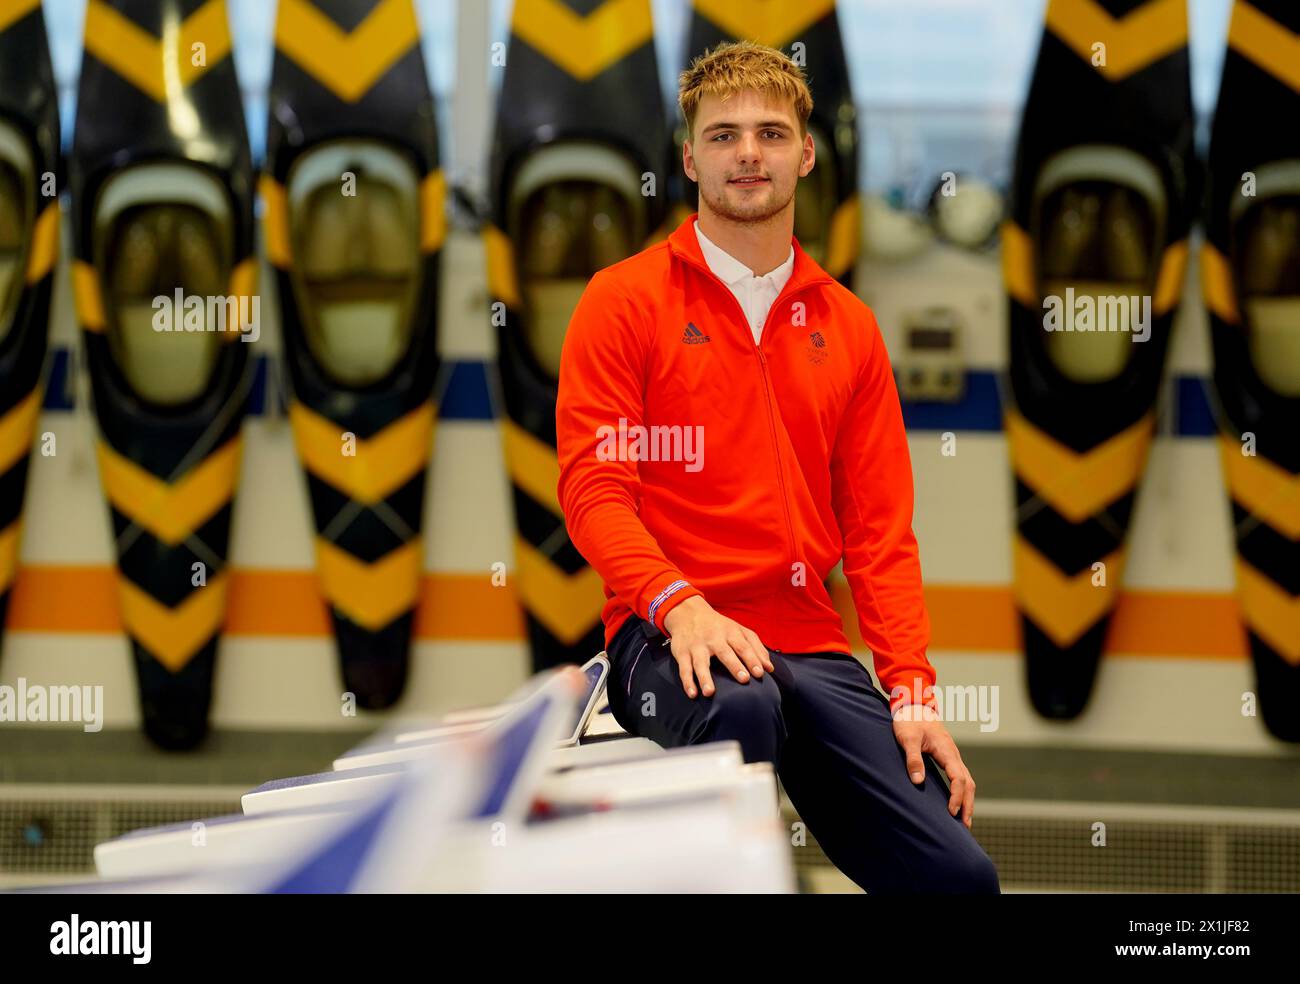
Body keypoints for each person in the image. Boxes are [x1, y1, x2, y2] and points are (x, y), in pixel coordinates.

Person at [555, 39, 999, 894]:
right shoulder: (624, 301)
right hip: (666, 635)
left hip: (808, 642)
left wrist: (911, 691)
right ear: (689, 158)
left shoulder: (852, 327)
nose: (747, 153)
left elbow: (879, 536)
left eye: (769, 132)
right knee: (742, 705)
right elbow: (594, 487)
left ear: (806, 152)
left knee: (958, 880)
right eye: (723, 136)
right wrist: (679, 605)